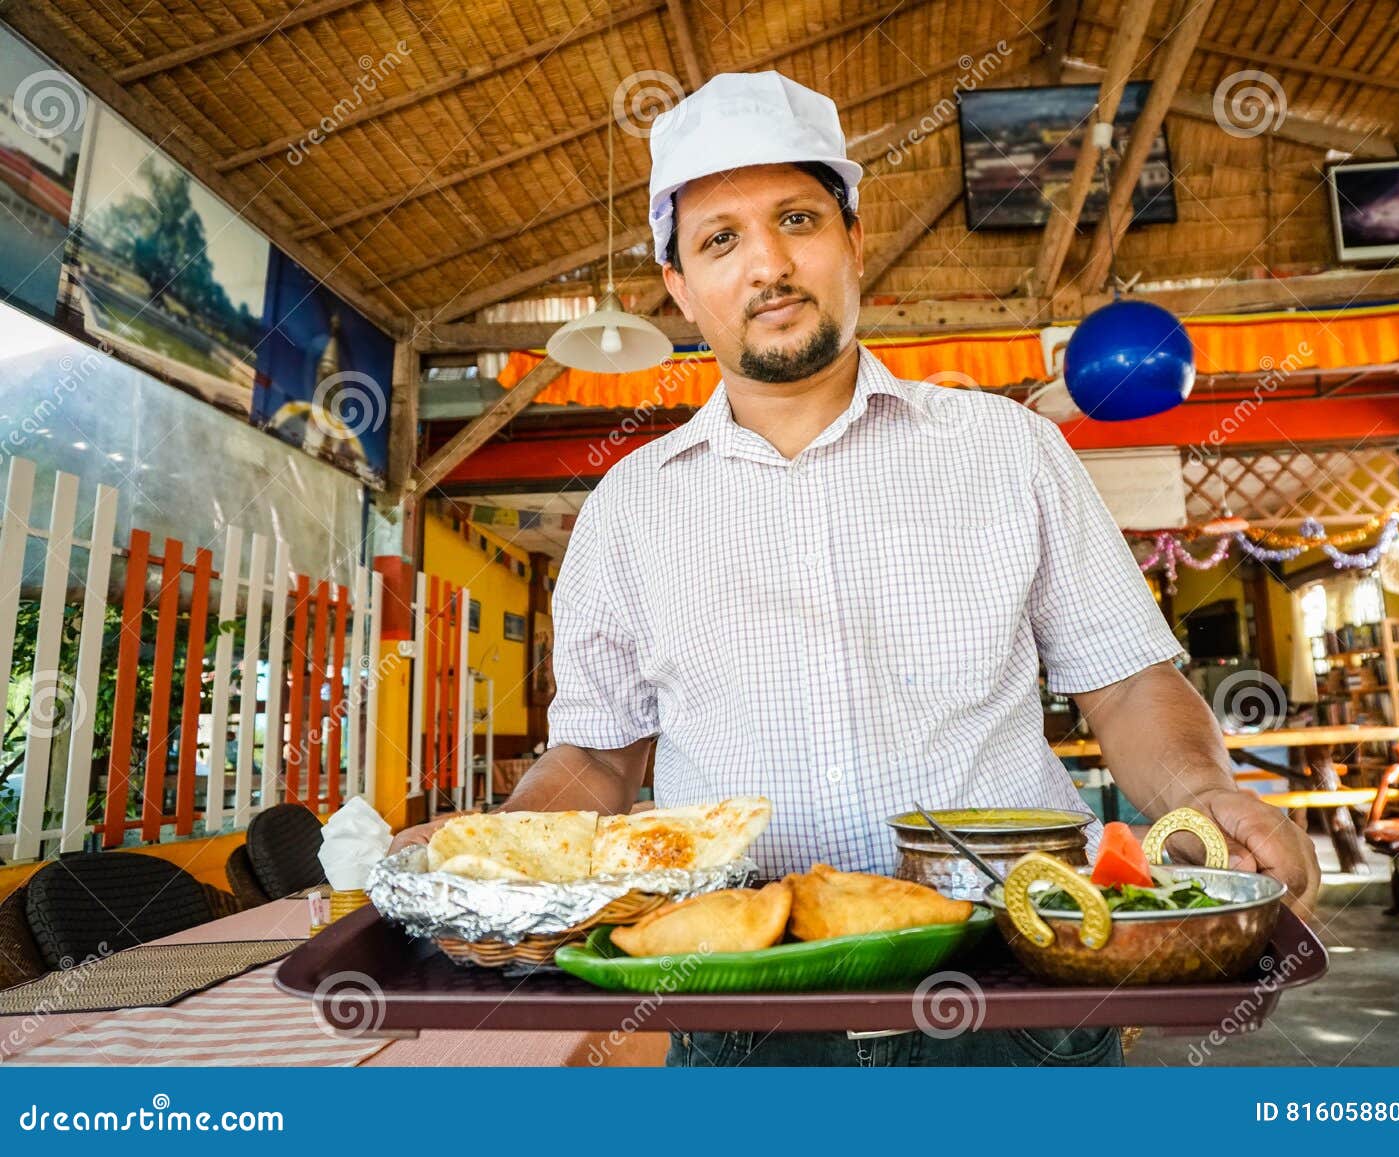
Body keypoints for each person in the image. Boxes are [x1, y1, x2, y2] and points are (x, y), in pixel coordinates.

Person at [392, 70, 1319, 1067]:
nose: (769, 264)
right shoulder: (629, 507)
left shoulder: (1008, 449)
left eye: (798, 218)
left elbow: (1130, 680)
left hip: (1022, 993)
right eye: (720, 239)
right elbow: (598, 757)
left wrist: (1206, 791)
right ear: (679, 288)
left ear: (852, 240)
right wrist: (491, 850)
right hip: (747, 1021)